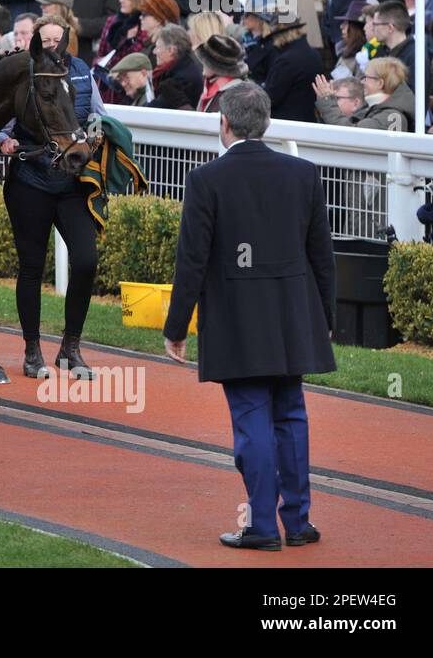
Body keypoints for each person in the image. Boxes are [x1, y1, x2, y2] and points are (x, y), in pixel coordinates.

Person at [164, 83, 334, 552]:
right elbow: (323, 254)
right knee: (292, 416)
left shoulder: (206, 180)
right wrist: (327, 314)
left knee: (253, 421)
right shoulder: (303, 173)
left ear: (225, 122)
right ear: (265, 122)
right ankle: (297, 521)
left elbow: (191, 261)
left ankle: (262, 525)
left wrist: (176, 328)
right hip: (293, 316)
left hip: (237, 320)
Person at [0, 15, 99, 379]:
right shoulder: (22, 73)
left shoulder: (81, 72)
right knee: (32, 267)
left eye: (59, 39)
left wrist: (99, 135)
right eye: (47, 40)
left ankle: (71, 347)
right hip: (30, 180)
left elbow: (99, 115)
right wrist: (3, 141)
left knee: (86, 260)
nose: (53, 46)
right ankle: (31, 349)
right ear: (37, 43)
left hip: (71, 182)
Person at [242, 0, 319, 121]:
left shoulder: (287, 60)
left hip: (287, 124)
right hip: (307, 119)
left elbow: (270, 97)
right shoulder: (312, 53)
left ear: (281, 34)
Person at [314, 59, 413, 131]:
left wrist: (327, 101)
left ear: (379, 83)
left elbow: (350, 134)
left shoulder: (390, 115)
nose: (362, 82)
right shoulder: (382, 109)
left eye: (366, 78)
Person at [149, 24, 203, 110]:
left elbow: (155, 108)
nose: (154, 52)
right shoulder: (184, 66)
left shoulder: (182, 78)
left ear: (171, 50)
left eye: (158, 47)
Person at [194, 33, 249, 112]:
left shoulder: (235, 95)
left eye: (205, 62)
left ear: (215, 66)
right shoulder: (212, 86)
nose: (202, 64)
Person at [368, 0, 416, 87]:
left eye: (375, 24)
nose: (372, 29)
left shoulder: (415, 55)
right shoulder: (380, 52)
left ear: (390, 28)